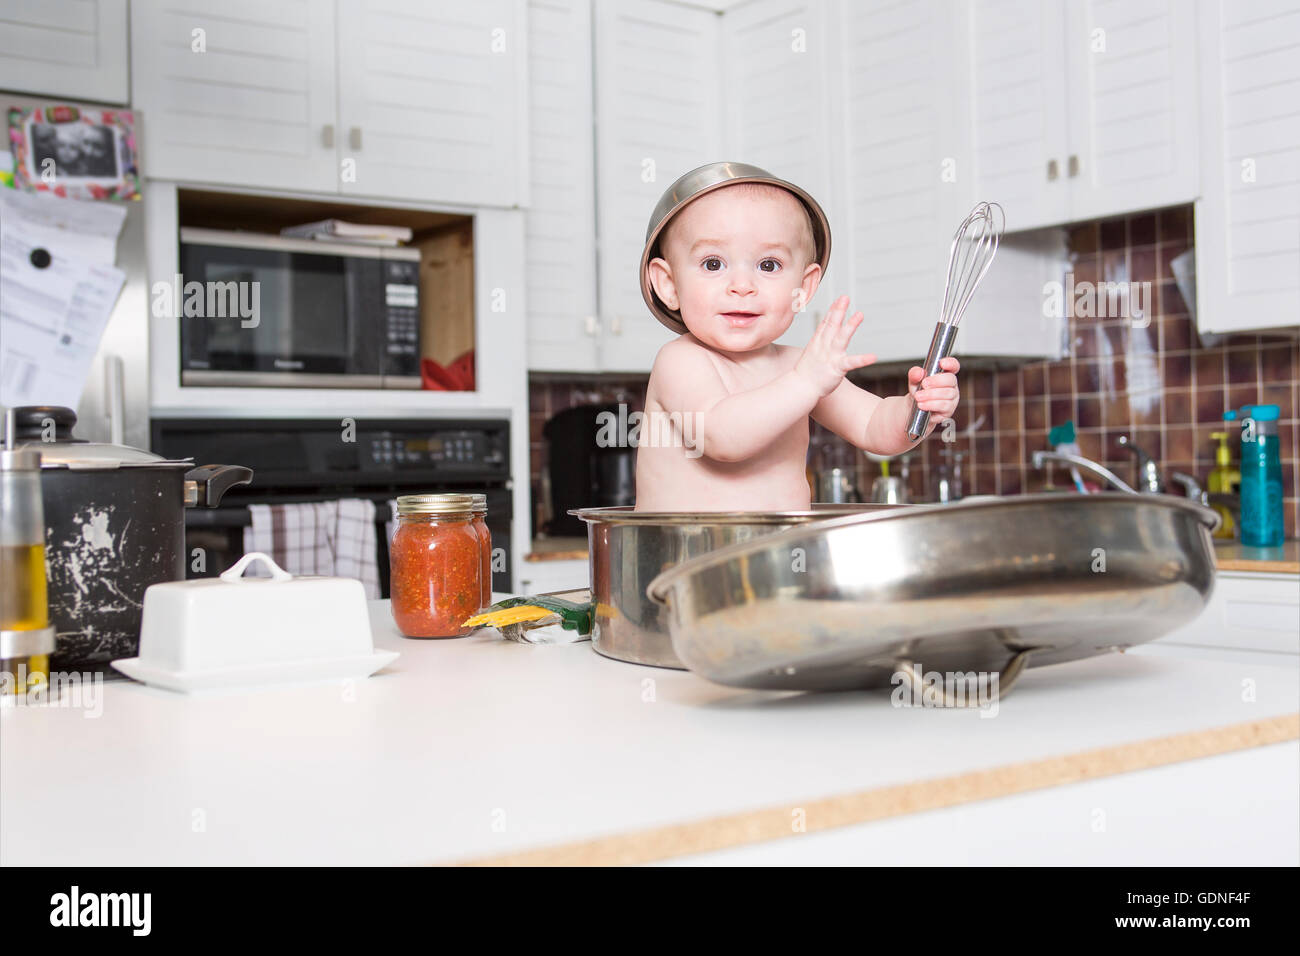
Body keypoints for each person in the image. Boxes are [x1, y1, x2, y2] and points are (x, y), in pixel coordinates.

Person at [634, 164, 961, 511]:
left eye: (769, 265)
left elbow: (872, 427)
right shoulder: (681, 361)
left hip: (778, 559)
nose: (742, 286)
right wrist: (806, 382)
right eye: (713, 264)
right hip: (684, 559)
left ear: (803, 288)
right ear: (668, 285)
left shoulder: (798, 369)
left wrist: (918, 411)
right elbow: (722, 435)